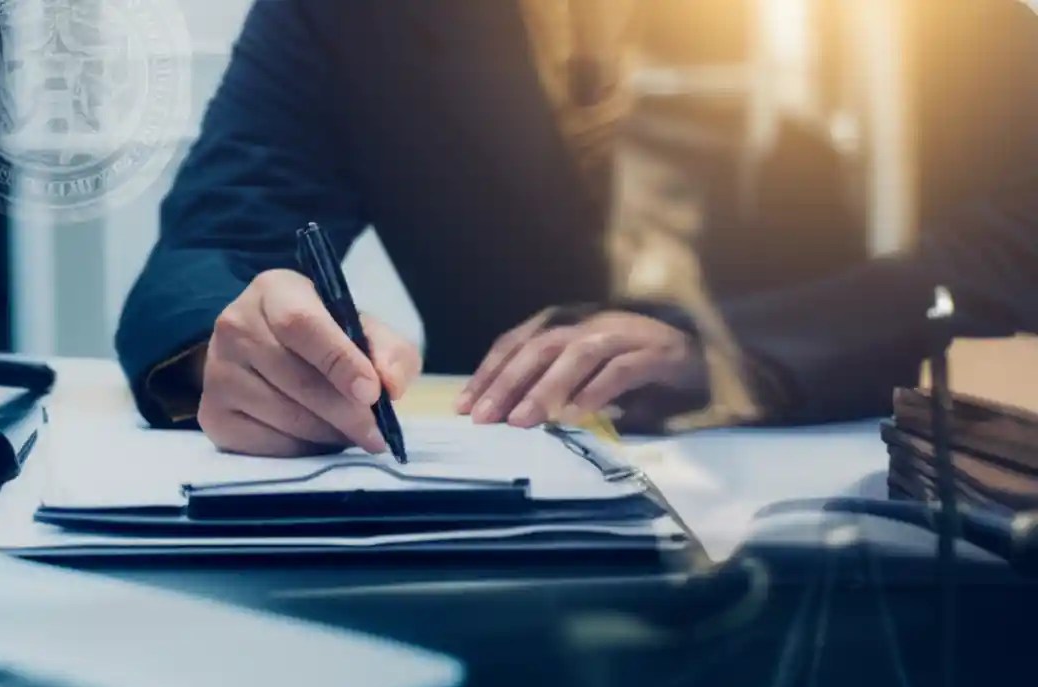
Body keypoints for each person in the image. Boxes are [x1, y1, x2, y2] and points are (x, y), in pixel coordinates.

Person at [116, 0, 1038, 457]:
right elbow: (212, 247)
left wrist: (732, 347)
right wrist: (242, 350)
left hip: (879, 530)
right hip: (505, 553)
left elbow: (1017, 237)